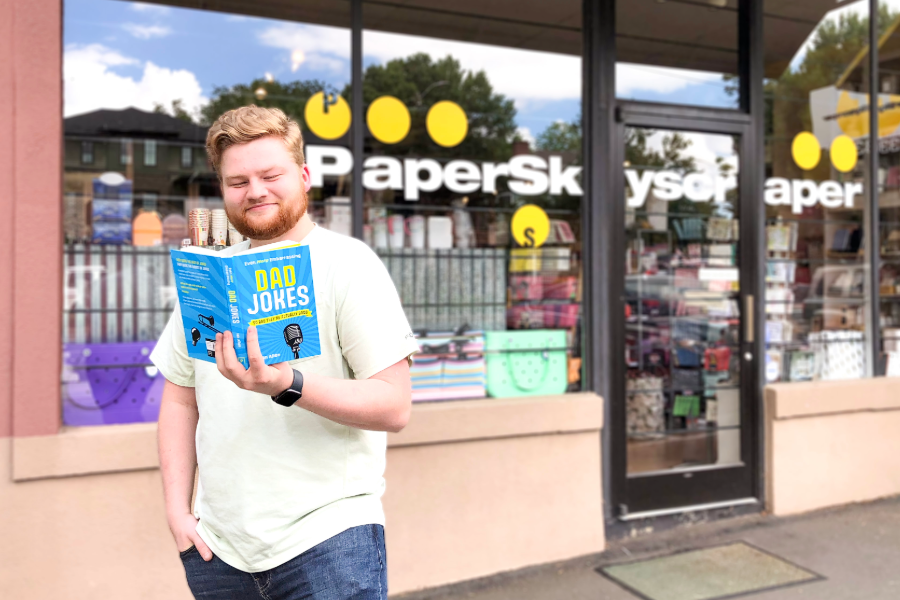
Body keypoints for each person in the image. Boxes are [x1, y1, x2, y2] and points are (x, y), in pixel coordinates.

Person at [152, 105, 418, 600]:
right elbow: (179, 398)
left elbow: (395, 404)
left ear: (303, 176)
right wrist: (177, 511)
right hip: (220, 551)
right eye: (237, 181)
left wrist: (287, 384)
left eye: (270, 175)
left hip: (329, 543)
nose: (254, 191)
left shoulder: (348, 265)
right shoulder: (210, 277)